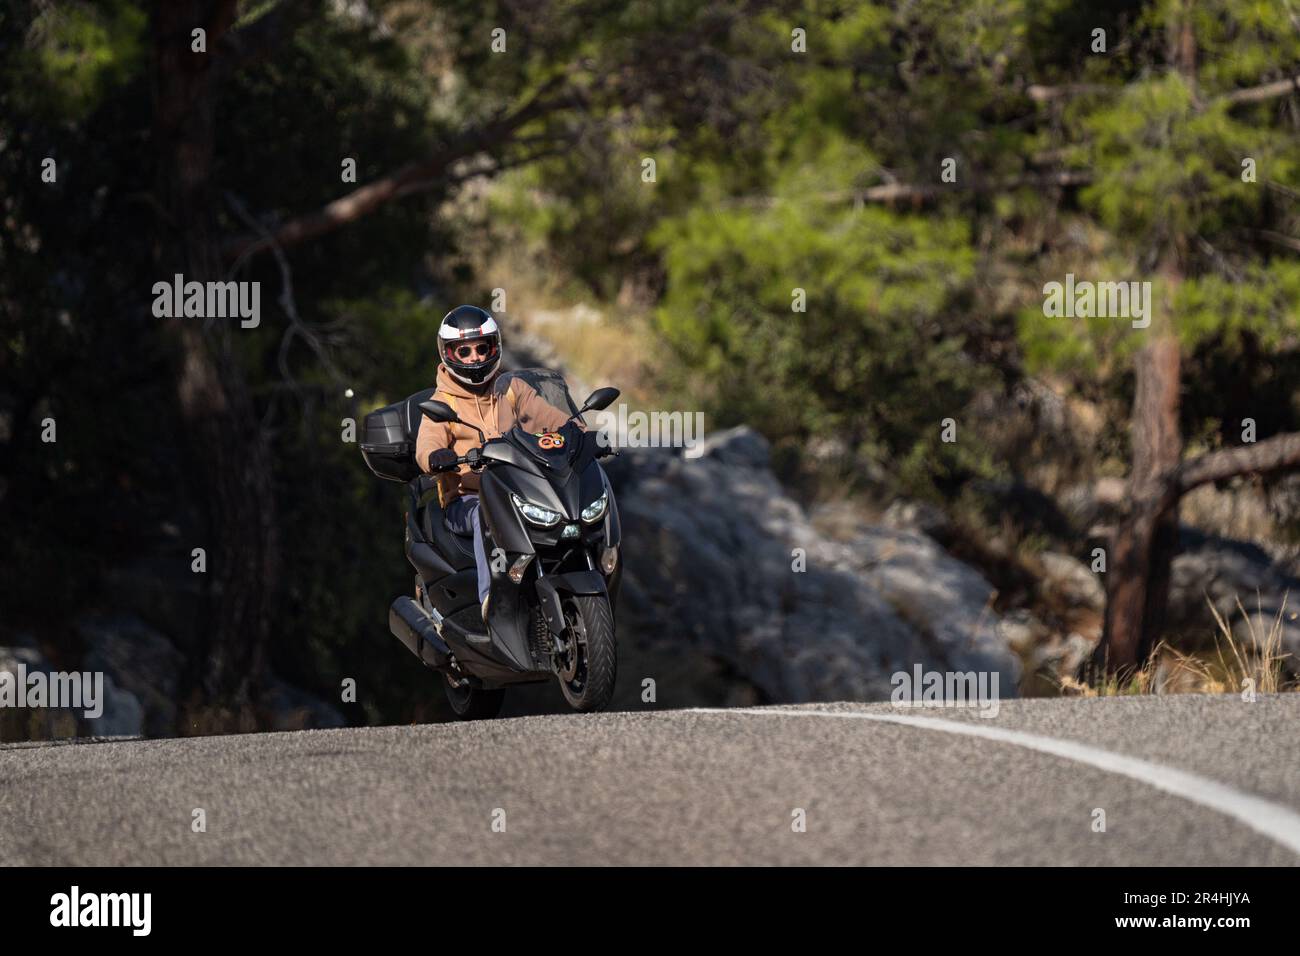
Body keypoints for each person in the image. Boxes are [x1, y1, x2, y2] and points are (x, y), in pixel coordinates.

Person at [415, 305, 576, 621]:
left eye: (481, 348)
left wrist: (581, 434)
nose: (475, 357)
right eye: (464, 351)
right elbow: (428, 441)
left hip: (522, 488)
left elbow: (553, 419)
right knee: (486, 516)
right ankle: (493, 600)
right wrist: (435, 457)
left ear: (494, 348)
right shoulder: (441, 403)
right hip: (468, 500)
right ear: (449, 354)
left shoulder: (513, 390)